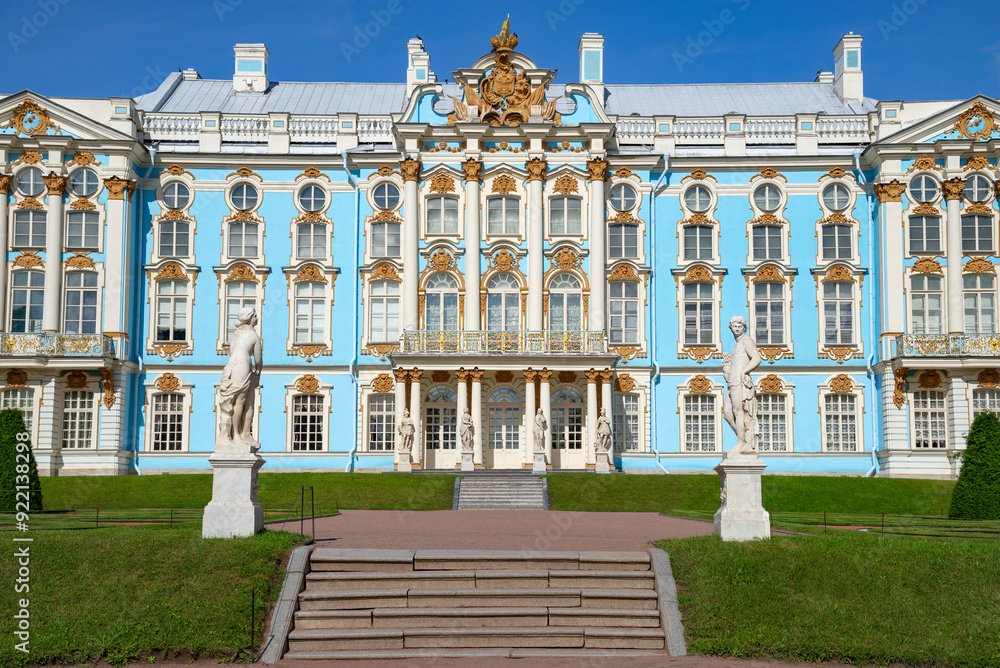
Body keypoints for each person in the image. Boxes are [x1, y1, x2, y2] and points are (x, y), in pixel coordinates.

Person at [217, 307, 262, 453]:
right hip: (243, 367)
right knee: (241, 402)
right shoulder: (254, 336)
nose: (257, 318)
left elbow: (231, 352)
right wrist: (258, 373)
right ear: (250, 319)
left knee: (244, 402)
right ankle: (236, 435)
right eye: (255, 316)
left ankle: (243, 434)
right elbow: (258, 359)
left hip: (231, 366)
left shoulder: (236, 334)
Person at [722, 315, 762, 456]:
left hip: (740, 383)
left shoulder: (746, 341)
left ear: (744, 327)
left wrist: (745, 371)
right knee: (727, 415)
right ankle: (744, 439)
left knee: (739, 413)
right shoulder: (737, 344)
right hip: (731, 383)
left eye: (740, 326)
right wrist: (727, 367)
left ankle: (741, 443)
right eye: (734, 326)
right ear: (731, 328)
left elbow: (757, 358)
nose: (737, 328)